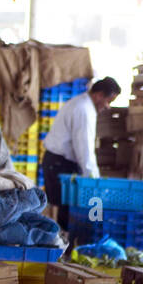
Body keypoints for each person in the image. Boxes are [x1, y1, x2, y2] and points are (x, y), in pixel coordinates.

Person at [42, 76, 120, 224]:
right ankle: (64, 244)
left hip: (57, 162)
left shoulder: (81, 104)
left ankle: (63, 242)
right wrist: (95, 185)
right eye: (108, 101)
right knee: (67, 212)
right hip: (59, 164)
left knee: (65, 211)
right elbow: (84, 151)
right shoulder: (84, 110)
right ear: (99, 95)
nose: (108, 106)